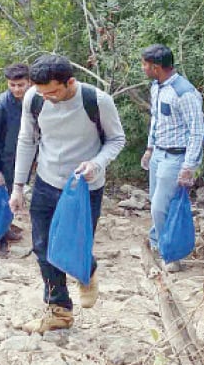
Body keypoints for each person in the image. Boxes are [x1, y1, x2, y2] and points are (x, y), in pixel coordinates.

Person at [9, 55, 125, 334]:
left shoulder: (96, 101)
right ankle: (58, 310)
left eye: (53, 92)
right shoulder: (33, 100)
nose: (47, 98)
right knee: (42, 246)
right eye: (42, 93)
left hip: (85, 186)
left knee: (74, 245)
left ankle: (87, 269)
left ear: (69, 82)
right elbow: (27, 140)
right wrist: (18, 186)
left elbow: (116, 139)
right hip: (47, 181)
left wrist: (96, 164)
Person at [139, 44, 204, 271]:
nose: (143, 68)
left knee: (161, 207)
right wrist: (150, 148)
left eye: (145, 64)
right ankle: (159, 244)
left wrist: (189, 166)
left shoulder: (184, 92)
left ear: (156, 67)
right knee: (154, 201)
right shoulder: (156, 87)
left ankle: (172, 256)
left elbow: (197, 131)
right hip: (159, 152)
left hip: (176, 157)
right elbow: (156, 119)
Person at [0, 63, 31, 256]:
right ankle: (0, 239)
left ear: (29, 82)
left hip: (21, 158)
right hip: (3, 161)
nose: (17, 89)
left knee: (14, 195)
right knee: (3, 199)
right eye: (13, 85)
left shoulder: (31, 101)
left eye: (21, 85)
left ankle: (7, 228)